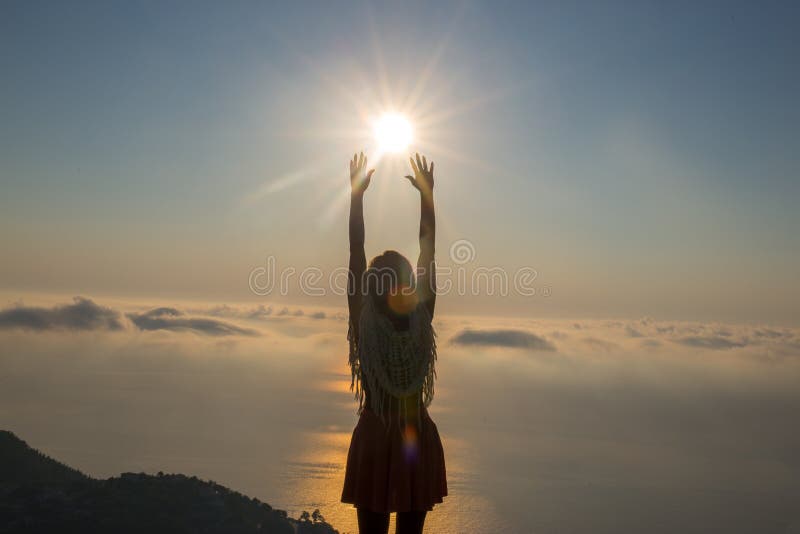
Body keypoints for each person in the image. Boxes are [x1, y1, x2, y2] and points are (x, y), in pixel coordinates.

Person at [341, 152, 447, 534]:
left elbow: (356, 251)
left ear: (370, 285)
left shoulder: (363, 322)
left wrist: (357, 195)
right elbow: (428, 249)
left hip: (375, 436)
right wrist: (427, 196)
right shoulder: (422, 317)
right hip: (415, 435)